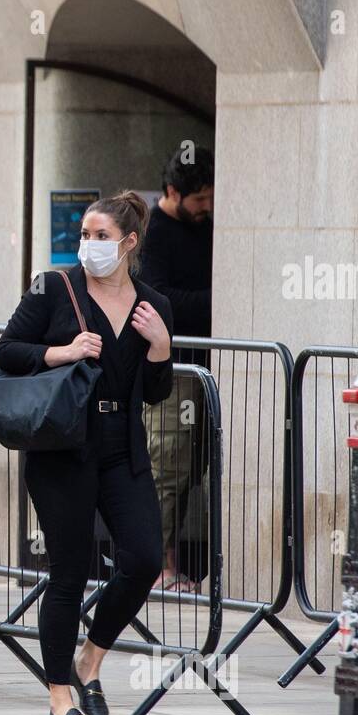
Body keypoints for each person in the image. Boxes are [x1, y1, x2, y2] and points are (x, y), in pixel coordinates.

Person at [0, 191, 174, 715]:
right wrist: (62, 352)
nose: (90, 246)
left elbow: (156, 392)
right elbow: (8, 349)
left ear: (128, 243)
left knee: (143, 558)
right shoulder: (55, 288)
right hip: (64, 448)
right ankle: (58, 700)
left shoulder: (153, 306)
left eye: (101, 236)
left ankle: (90, 659)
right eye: (85, 235)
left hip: (122, 446)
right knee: (70, 569)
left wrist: (161, 346)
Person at [138, 145, 214, 593]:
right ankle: (157, 566)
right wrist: (217, 301)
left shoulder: (204, 227)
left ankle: (168, 562)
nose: (207, 207)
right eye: (199, 199)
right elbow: (160, 298)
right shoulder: (154, 235)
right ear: (172, 192)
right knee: (165, 466)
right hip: (174, 371)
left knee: (191, 468)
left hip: (204, 369)